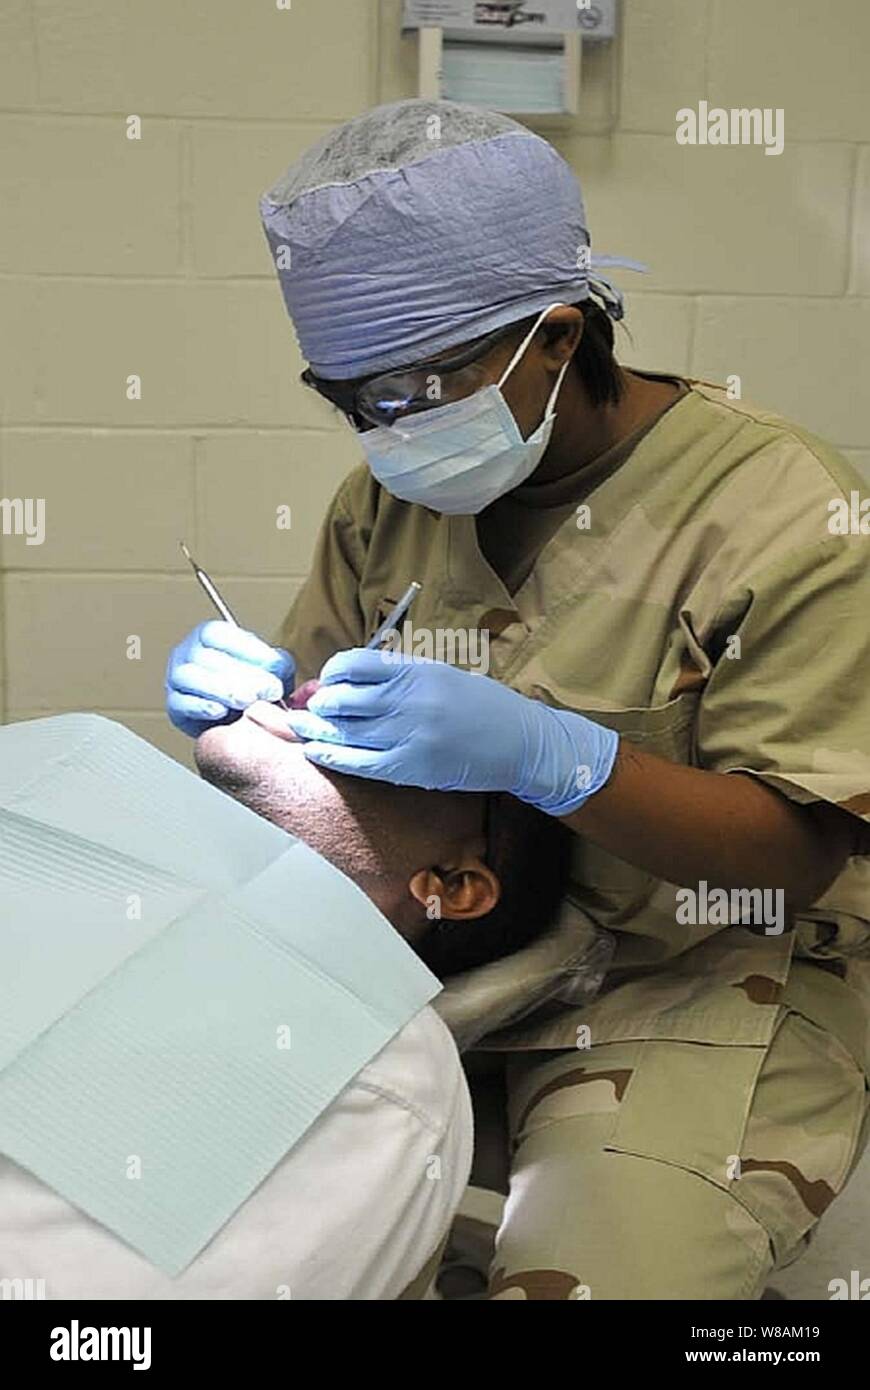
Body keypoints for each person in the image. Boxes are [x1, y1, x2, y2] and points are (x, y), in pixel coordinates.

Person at [166, 99, 870, 1299]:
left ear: (555, 338)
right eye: (352, 398)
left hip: (698, 973)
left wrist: (559, 757)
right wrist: (250, 710)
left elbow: (793, 853)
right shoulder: (383, 505)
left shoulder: (786, 514)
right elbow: (310, 772)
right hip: (425, 963)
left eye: (417, 386)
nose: (385, 431)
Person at [0, 706, 575, 1301]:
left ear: (452, 885)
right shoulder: (71, 777)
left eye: (418, 727)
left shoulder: (384, 1069)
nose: (321, 688)